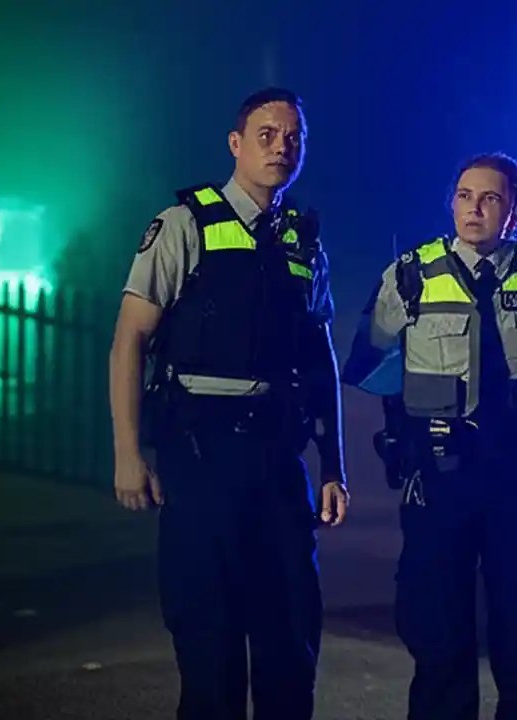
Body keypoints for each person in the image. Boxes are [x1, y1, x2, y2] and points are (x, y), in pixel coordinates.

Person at [108, 86, 348, 720]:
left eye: (293, 137)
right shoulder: (185, 226)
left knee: (290, 637)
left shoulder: (304, 241)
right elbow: (129, 341)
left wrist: (333, 466)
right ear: (236, 144)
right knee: (209, 642)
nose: (281, 146)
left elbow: (318, 357)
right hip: (200, 451)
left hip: (275, 457)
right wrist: (128, 455)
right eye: (266, 135)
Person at [341, 152, 517, 720]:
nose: (474, 208)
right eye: (465, 195)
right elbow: (365, 361)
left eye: (491, 198)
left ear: (515, 212)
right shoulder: (410, 274)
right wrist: (418, 407)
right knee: (438, 629)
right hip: (442, 477)